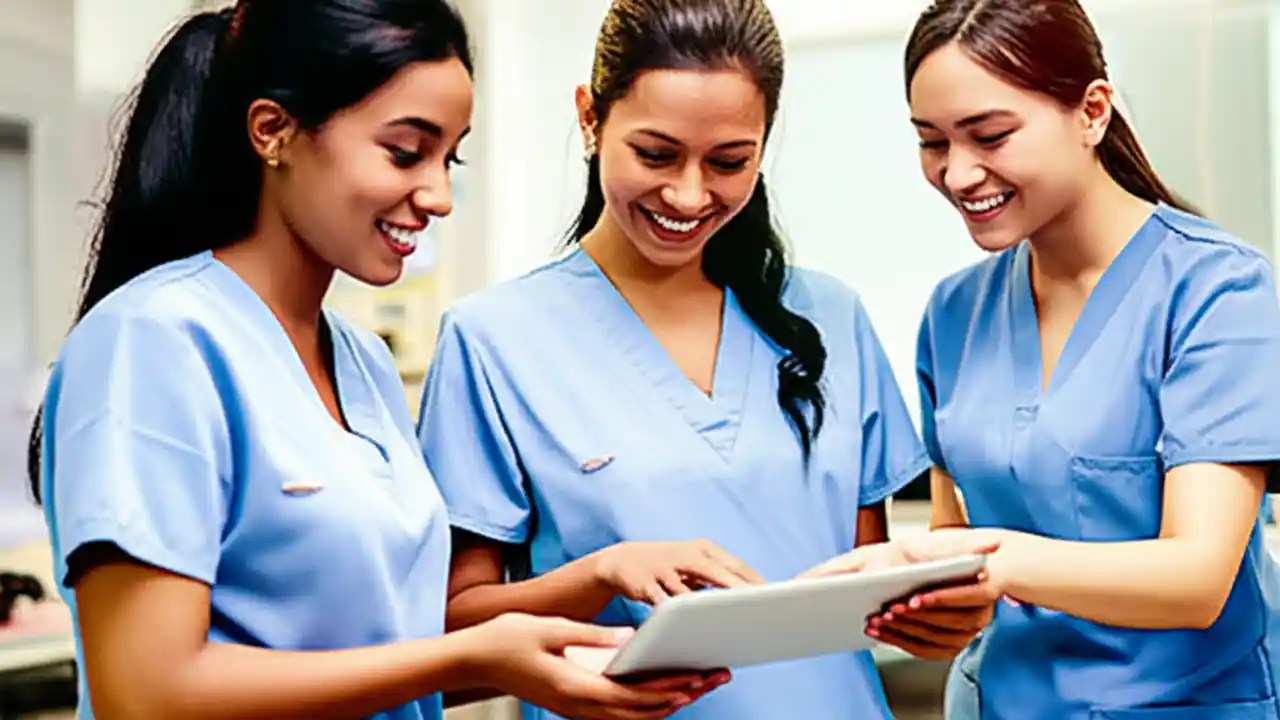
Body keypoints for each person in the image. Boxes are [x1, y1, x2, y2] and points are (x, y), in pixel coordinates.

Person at [29, 2, 717, 718]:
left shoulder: (362, 363)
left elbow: (389, 662)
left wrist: (591, 605)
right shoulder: (153, 339)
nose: (440, 197)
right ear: (273, 131)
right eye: (405, 152)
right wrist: (469, 655)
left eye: (450, 158)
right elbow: (145, 691)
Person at [416, 1, 995, 718]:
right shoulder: (494, 341)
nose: (688, 195)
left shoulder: (829, 319)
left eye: (728, 162)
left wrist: (941, 621)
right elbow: (451, 635)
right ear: (590, 119)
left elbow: (869, 599)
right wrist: (602, 574)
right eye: (655, 154)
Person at [804, 1, 1280, 718]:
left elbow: (1197, 577)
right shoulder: (954, 314)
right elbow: (953, 546)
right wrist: (926, 604)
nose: (958, 173)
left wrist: (991, 564)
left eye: (990, 136)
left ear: (1092, 112)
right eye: (932, 142)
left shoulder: (1216, 290)